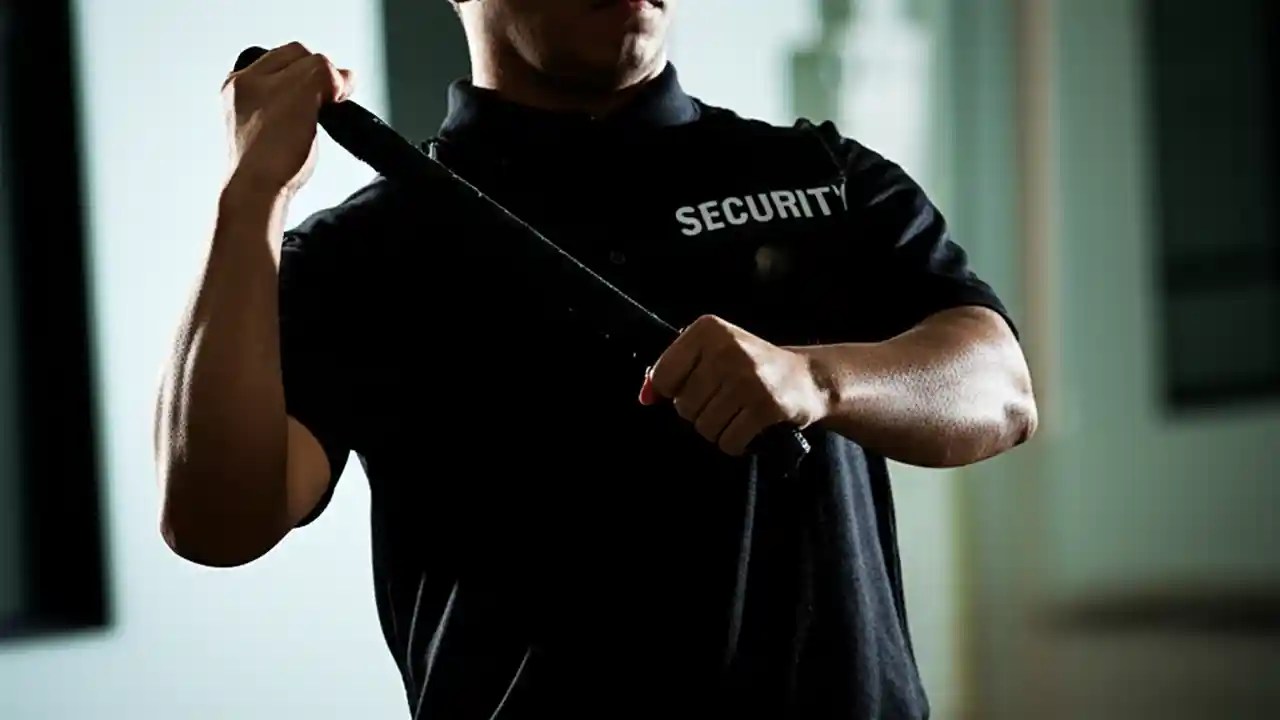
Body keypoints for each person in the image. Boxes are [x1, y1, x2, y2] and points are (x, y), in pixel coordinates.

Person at [154, 0, 1038, 717]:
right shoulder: (363, 252)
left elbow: (998, 392)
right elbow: (217, 522)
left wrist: (816, 378)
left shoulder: (823, 175)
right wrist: (249, 195)